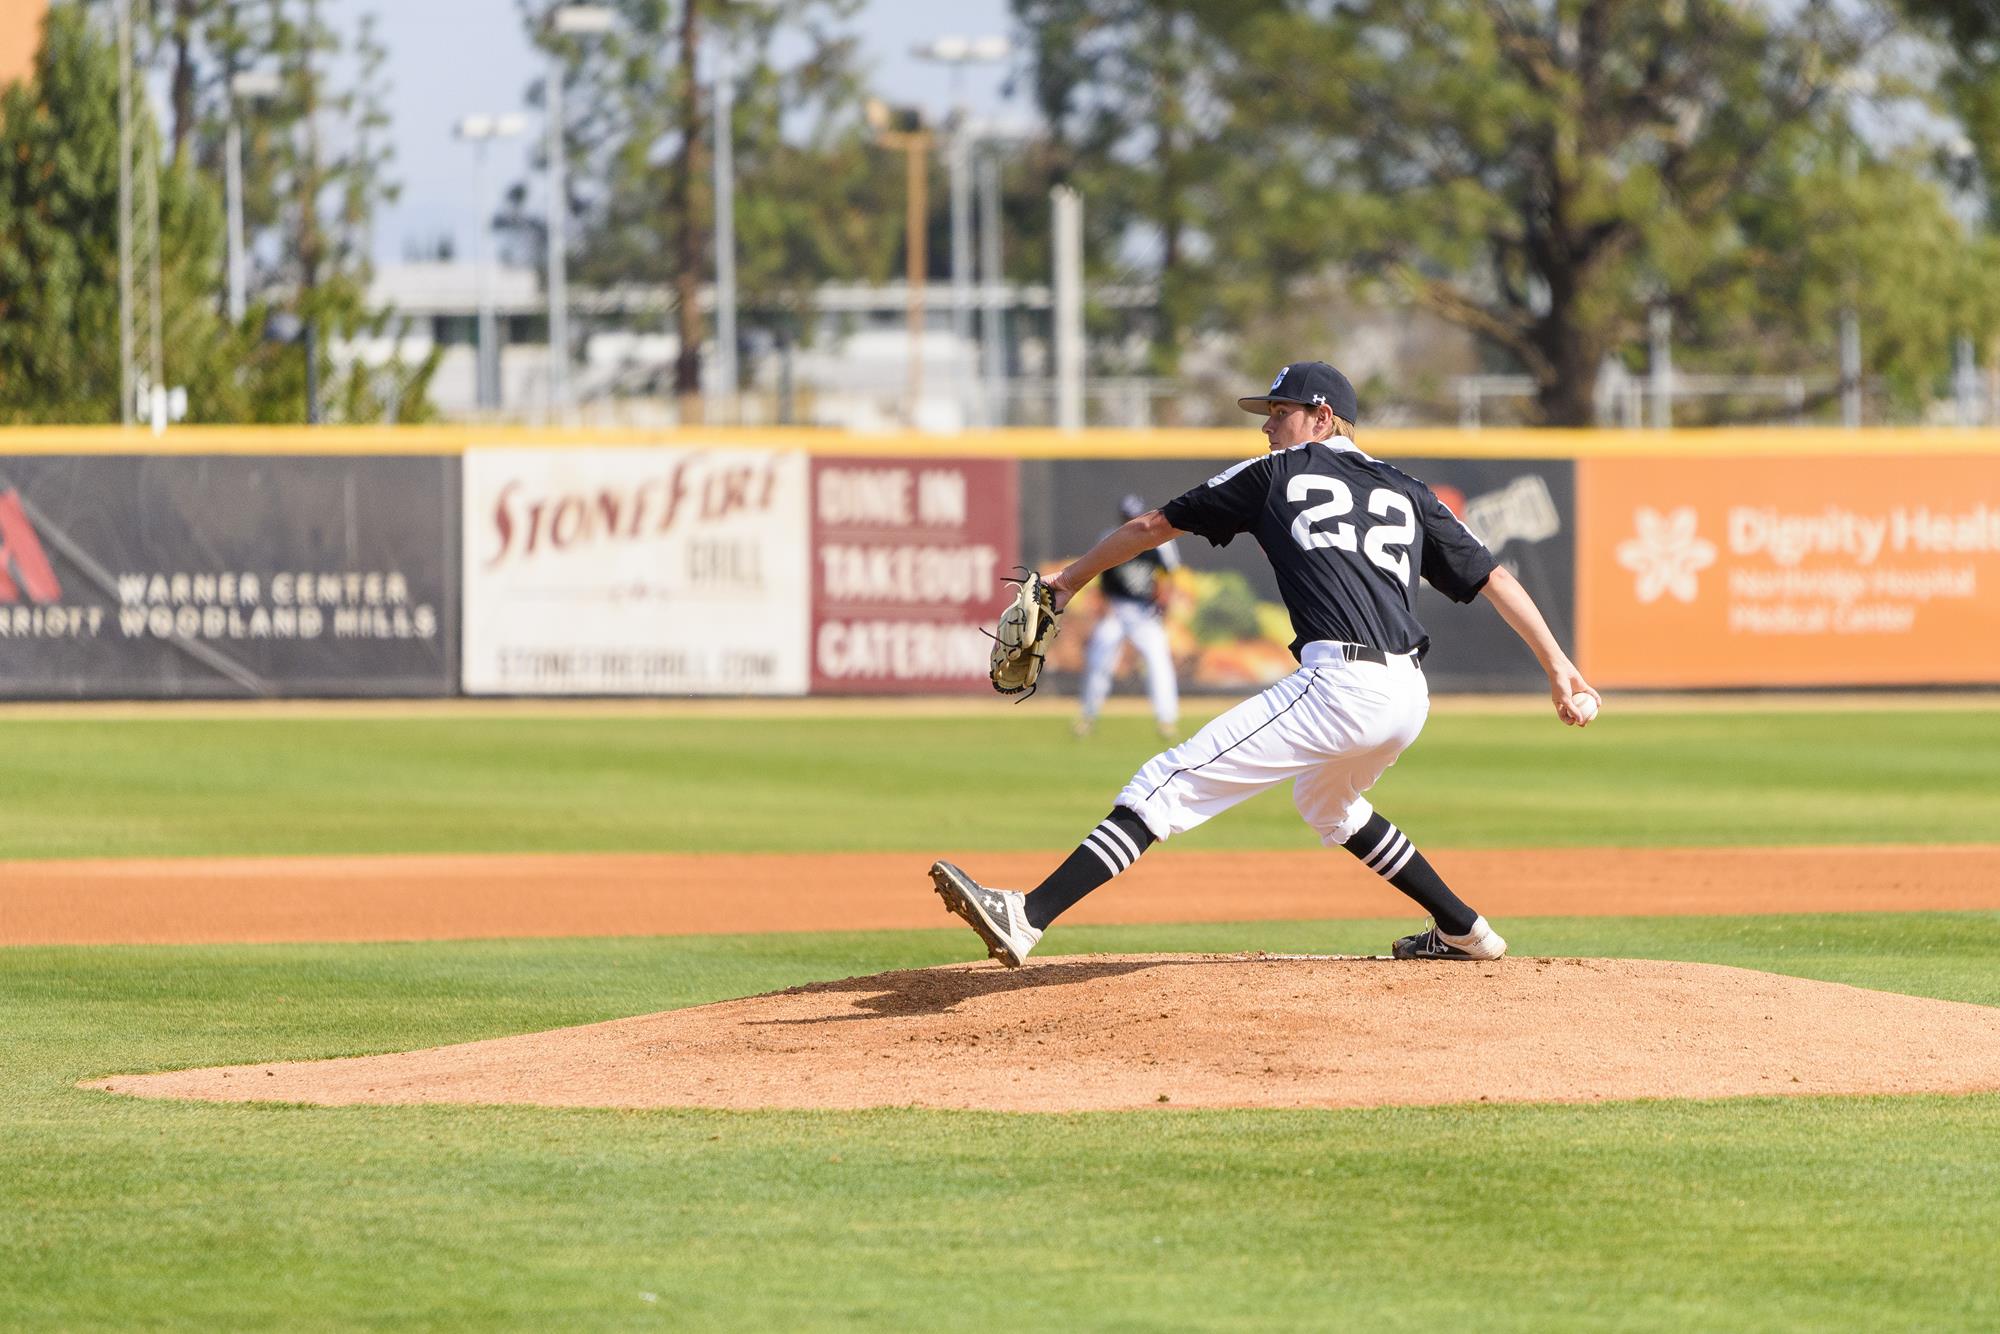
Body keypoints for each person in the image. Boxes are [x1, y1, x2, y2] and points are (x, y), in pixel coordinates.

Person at [932, 360, 1597, 965]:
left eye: (1280, 412)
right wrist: (1559, 666)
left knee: (1167, 779)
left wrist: (1069, 581)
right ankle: (1465, 930)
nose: (1268, 426)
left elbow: (1150, 528)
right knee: (1327, 804)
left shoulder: (1276, 473)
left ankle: (1027, 915)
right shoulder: (1409, 491)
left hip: (1342, 684)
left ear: (1322, 418)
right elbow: (1496, 580)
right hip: (1407, 697)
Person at [1074, 493, 1182, 740]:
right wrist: (1102, 607)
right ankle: (1087, 717)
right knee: (1099, 661)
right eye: (1127, 517)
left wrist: (1164, 601)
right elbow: (1100, 577)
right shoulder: (1110, 538)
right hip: (1117, 608)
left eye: (1134, 517)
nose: (1131, 521)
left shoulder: (1161, 542)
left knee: (1158, 662)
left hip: (1145, 612)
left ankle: (1167, 721)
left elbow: (1171, 576)